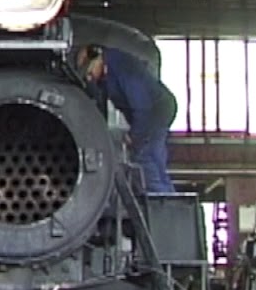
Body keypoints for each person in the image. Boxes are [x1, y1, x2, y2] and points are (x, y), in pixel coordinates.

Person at [76, 44, 179, 194]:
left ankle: (161, 203)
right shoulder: (106, 73)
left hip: (155, 112)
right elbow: (99, 100)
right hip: (154, 111)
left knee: (144, 158)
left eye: (90, 72)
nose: (89, 77)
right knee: (155, 160)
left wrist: (135, 135)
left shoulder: (123, 68)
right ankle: (169, 201)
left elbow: (142, 107)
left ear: (98, 58)